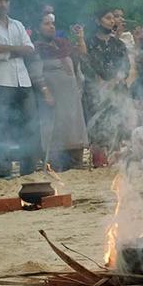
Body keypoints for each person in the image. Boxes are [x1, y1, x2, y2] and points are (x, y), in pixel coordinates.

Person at [0, 0, 39, 177]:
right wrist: (16, 50)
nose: (3, 4)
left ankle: (27, 169)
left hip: (22, 80)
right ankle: (3, 171)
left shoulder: (18, 25)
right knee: (1, 126)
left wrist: (7, 51)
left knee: (28, 125)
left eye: (6, 0)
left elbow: (30, 49)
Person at [33, 13, 88, 171]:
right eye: (46, 23)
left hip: (71, 95)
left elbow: (82, 55)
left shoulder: (63, 44)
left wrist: (80, 38)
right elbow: (36, 73)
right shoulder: (36, 48)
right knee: (55, 128)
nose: (51, 26)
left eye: (52, 23)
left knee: (74, 127)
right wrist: (46, 92)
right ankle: (55, 164)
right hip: (53, 96)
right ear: (38, 28)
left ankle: (76, 162)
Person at [83, 7, 131, 167]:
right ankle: (98, 158)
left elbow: (126, 66)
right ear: (98, 21)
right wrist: (99, 81)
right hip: (95, 89)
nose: (112, 21)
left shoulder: (118, 44)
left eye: (113, 18)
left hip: (117, 88)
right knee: (97, 122)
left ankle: (115, 157)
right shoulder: (89, 42)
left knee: (118, 121)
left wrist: (115, 80)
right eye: (108, 18)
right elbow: (85, 63)